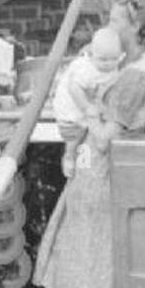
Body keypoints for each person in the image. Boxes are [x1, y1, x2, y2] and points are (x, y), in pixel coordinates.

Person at [32, 18, 145, 288]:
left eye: (117, 22)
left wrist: (88, 114)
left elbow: (103, 139)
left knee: (90, 234)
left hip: (98, 167)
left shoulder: (134, 77)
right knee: (86, 229)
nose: (112, 27)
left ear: (132, 32)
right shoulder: (136, 65)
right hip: (92, 162)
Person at [54, 26, 123, 177]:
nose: (108, 64)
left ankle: (94, 150)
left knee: (93, 132)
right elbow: (74, 88)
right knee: (74, 138)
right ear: (91, 54)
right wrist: (86, 107)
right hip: (71, 108)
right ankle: (69, 156)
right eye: (103, 59)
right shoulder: (85, 69)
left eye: (113, 59)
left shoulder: (111, 67)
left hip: (91, 106)